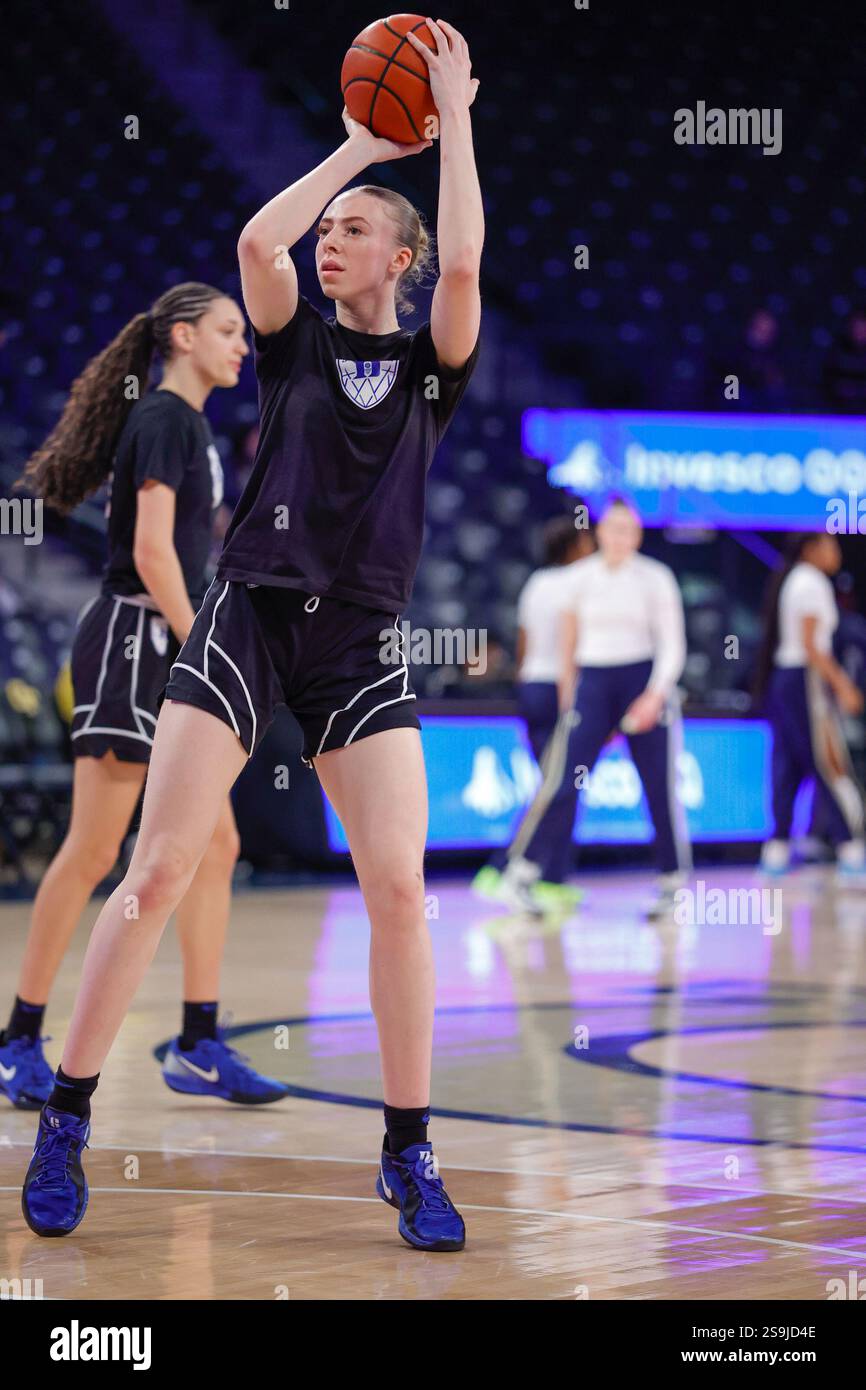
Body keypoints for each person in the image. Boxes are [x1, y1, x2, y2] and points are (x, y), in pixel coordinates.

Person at [21, 18, 482, 1252]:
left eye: (354, 229)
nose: (331, 240)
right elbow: (253, 240)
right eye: (329, 228)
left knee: (397, 887)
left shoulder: (433, 358)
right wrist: (349, 149)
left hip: (360, 635)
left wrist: (454, 121)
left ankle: (408, 1152)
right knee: (158, 868)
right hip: (250, 611)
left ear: (402, 255)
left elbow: (471, 267)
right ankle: (66, 1114)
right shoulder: (287, 337)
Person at [3, 283, 288, 1111]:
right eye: (229, 331)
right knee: (94, 850)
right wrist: (205, 637)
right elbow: (153, 552)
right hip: (134, 642)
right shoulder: (164, 418)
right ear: (182, 336)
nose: (243, 344)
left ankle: (199, 1041)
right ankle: (19, 1036)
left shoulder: (191, 427)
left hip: (163, 643)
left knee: (219, 843)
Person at [497, 497, 690, 918]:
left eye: (629, 530)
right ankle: (521, 873)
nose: (620, 537)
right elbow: (568, 643)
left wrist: (655, 695)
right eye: (613, 528)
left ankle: (672, 882)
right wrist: (570, 695)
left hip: (643, 681)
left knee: (658, 785)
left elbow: (673, 645)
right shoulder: (578, 579)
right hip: (593, 684)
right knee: (562, 779)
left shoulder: (656, 578)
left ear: (638, 535)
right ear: (600, 532)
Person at [473, 511, 595, 909]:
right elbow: (577, 645)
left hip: (531, 687)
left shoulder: (536, 583)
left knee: (555, 783)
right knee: (560, 786)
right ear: (577, 545)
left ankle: (549, 877)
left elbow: (524, 642)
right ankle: (511, 868)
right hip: (563, 688)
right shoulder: (583, 583)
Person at [754, 533, 865, 875]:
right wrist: (844, 686)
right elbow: (813, 647)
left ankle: (777, 849)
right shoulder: (811, 582)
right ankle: (851, 849)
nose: (836, 553)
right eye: (829, 546)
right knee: (828, 761)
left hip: (785, 680)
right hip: (804, 680)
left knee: (787, 763)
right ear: (811, 549)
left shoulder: (794, 580)